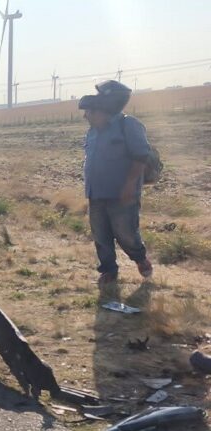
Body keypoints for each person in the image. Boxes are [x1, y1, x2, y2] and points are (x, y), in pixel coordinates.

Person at [79, 80, 153, 286]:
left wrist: (130, 185)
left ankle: (140, 258)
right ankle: (109, 271)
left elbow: (141, 157)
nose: (86, 116)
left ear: (102, 111)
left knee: (126, 233)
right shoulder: (92, 131)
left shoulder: (128, 125)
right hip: (96, 194)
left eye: (89, 112)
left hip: (122, 193)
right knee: (101, 236)